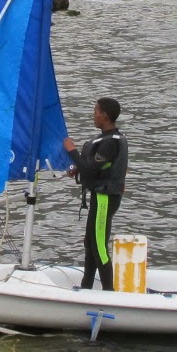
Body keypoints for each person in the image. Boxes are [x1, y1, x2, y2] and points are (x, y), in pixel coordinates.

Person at [63, 97, 128, 291]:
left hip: (105, 199)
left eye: (96, 112)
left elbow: (90, 169)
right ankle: (86, 287)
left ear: (105, 115)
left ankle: (109, 293)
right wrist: (76, 167)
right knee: (89, 242)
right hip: (99, 198)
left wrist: (72, 151)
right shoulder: (105, 140)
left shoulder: (112, 142)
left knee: (99, 246)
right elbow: (92, 167)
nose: (94, 116)